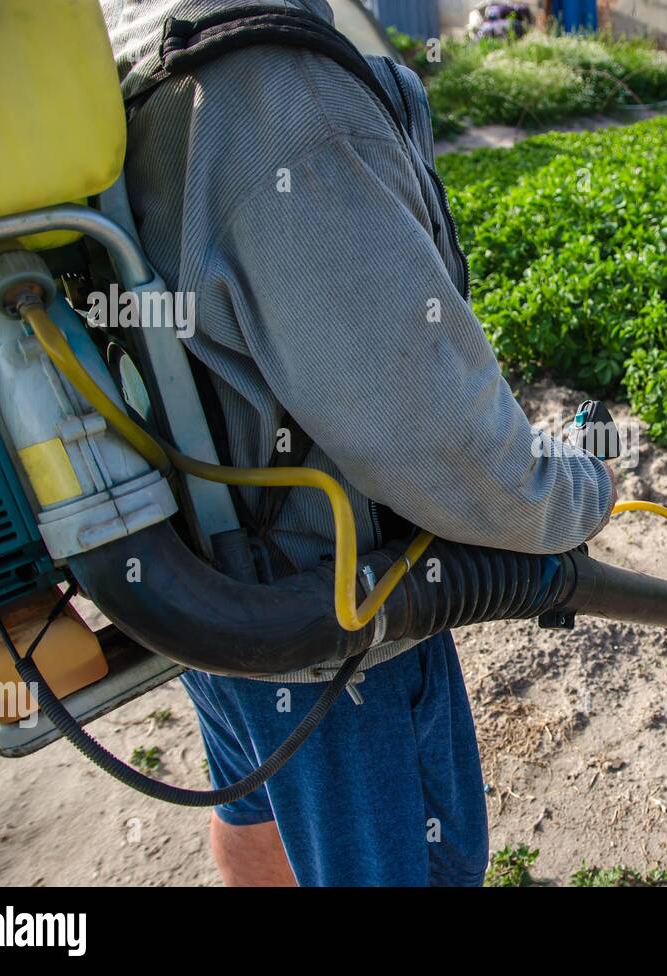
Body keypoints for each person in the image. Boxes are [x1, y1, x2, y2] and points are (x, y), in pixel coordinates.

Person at [101, 0, 615, 886]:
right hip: (329, 626)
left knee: (257, 811)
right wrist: (578, 486)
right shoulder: (278, 95)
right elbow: (450, 451)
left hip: (199, 586)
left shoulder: (138, 29)